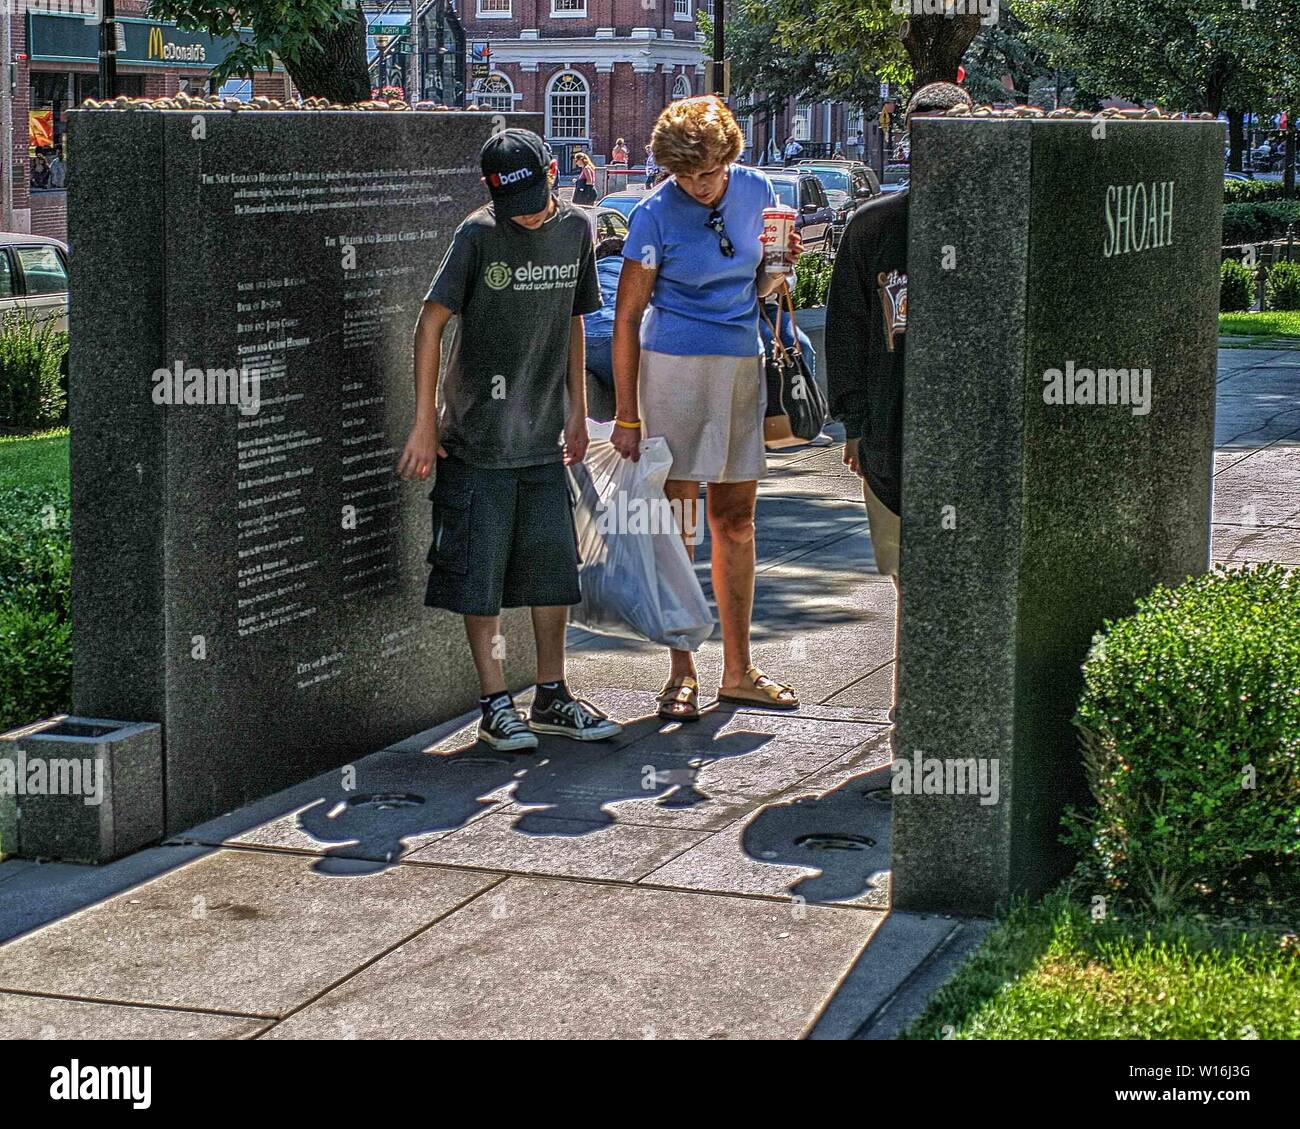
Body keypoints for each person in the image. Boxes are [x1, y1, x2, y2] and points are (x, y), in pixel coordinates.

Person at [396, 127, 623, 752]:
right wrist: (425, 419)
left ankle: (552, 694)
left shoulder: (576, 230)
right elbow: (430, 323)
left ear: (553, 173)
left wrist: (579, 410)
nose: (524, 214)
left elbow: (574, 319)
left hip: (544, 435)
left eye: (532, 199)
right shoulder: (476, 235)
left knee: (554, 572)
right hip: (478, 436)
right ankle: (495, 702)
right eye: (510, 203)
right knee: (480, 572)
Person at [612, 95, 802, 722]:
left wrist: (782, 268)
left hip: (739, 364)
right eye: (685, 174)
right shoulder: (652, 214)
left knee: (737, 518)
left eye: (709, 172)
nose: (698, 184)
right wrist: (627, 415)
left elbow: (762, 286)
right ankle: (682, 668)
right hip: (671, 369)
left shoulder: (758, 191)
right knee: (679, 524)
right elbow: (627, 318)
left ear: (729, 157)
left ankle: (739, 670)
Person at [825, 81, 973, 722]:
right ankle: (915, 692)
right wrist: (853, 424)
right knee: (907, 568)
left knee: (966, 565)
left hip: (972, 426)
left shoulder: (996, 219)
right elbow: (847, 329)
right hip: (891, 424)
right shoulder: (873, 227)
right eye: (922, 136)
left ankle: (956, 689)